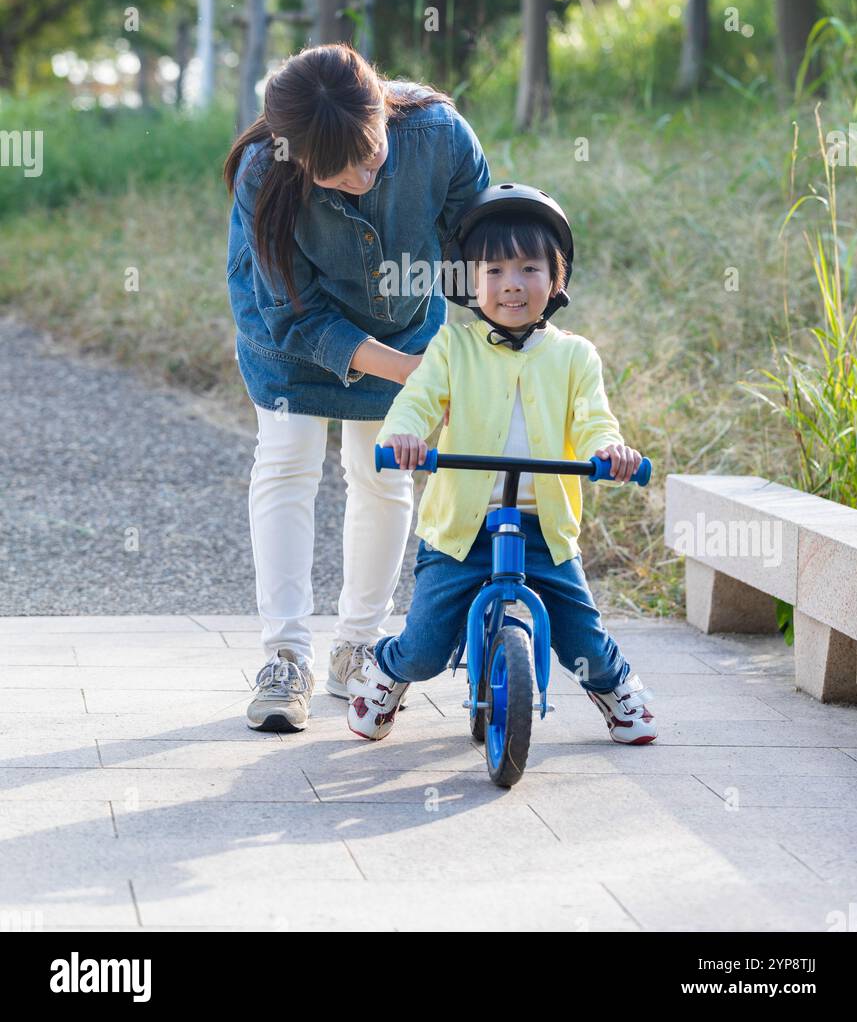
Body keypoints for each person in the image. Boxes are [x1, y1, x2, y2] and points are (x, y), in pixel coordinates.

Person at [223, 43, 489, 731]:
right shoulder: (265, 172)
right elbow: (293, 315)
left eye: (371, 156)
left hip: (403, 326)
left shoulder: (438, 134)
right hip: (291, 337)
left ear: (382, 114)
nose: (363, 178)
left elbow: (480, 245)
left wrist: (491, 349)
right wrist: (413, 374)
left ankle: (357, 647)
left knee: (382, 470)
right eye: (338, 177)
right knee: (288, 462)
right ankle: (284, 657)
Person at [346, 183, 658, 746]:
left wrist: (610, 451)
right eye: (493, 270)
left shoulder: (574, 356)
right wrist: (405, 438)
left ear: (556, 279)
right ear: (469, 282)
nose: (512, 283)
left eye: (529, 267)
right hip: (460, 532)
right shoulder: (451, 347)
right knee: (425, 646)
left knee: (583, 639)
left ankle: (614, 687)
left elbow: (594, 420)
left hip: (544, 531)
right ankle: (388, 670)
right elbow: (416, 402)